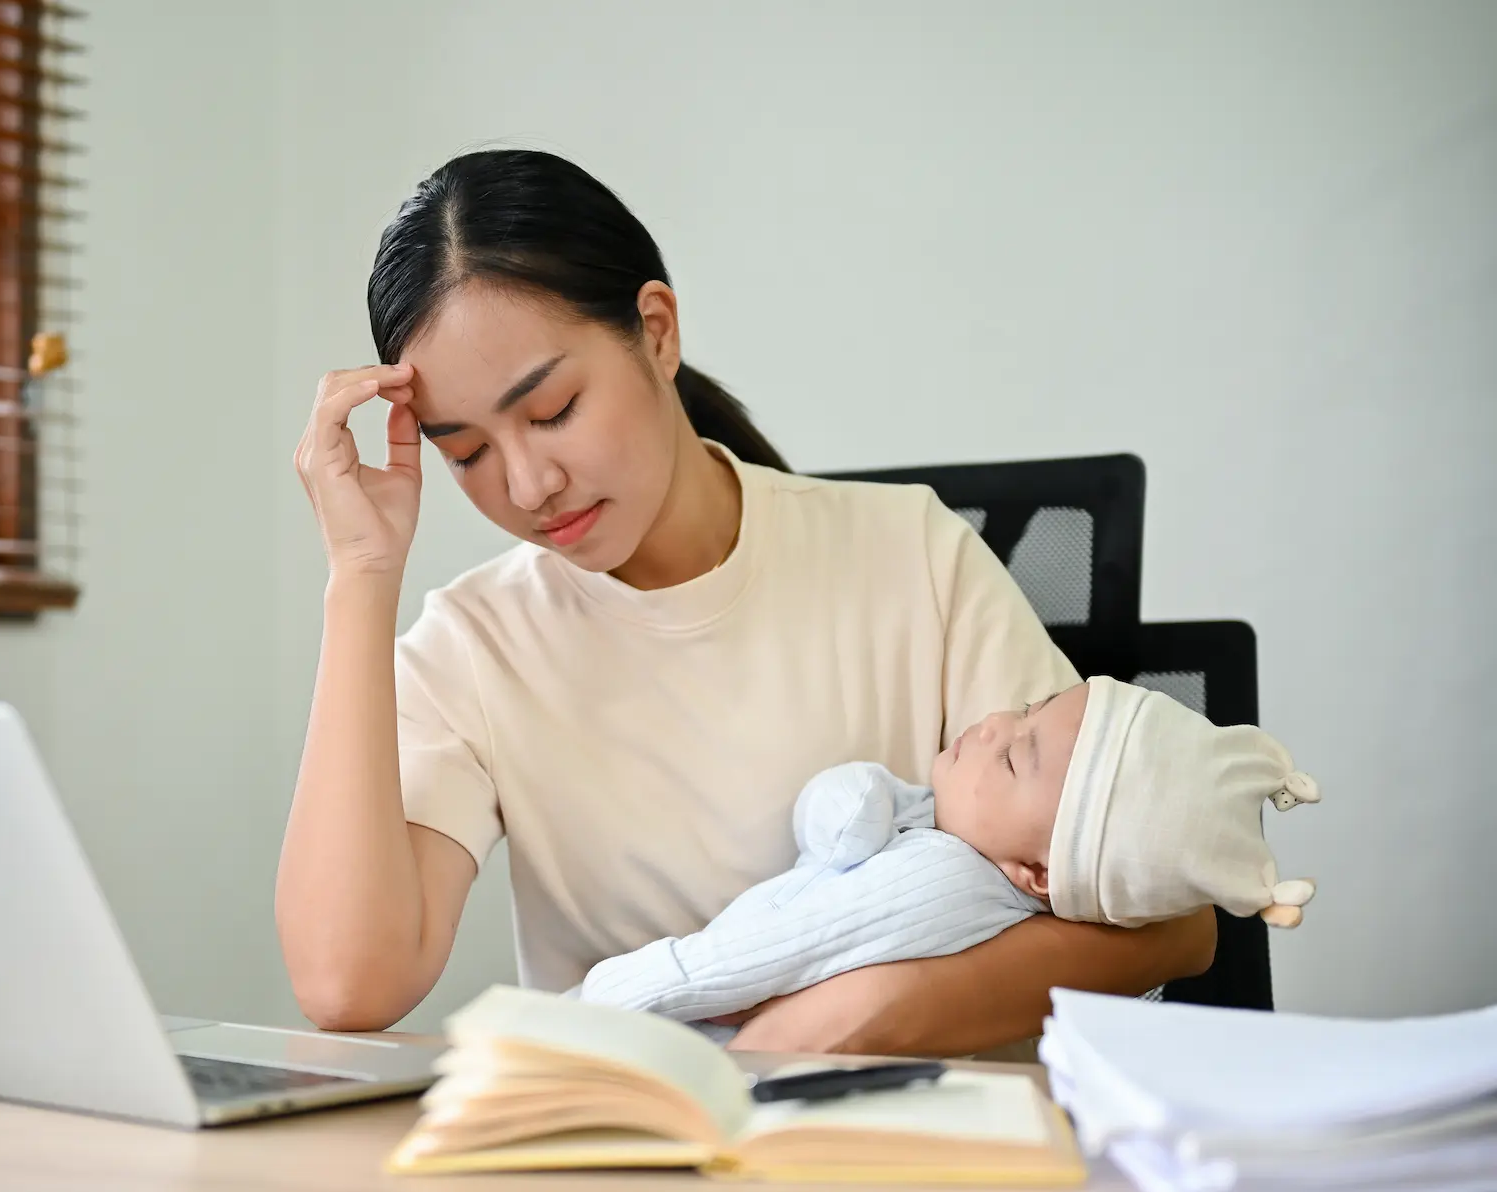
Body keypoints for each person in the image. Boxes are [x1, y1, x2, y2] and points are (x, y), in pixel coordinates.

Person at [277, 148, 1217, 1055]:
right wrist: (361, 578)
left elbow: (1175, 928)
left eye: (552, 409)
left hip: (922, 1163)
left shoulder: (909, 554)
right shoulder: (477, 647)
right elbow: (348, 983)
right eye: (467, 453)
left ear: (656, 330)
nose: (526, 485)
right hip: (638, 1178)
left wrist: (858, 1015)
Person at [574, 678, 1321, 1028]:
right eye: (1027, 709)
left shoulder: (938, 883)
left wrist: (595, 1004)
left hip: (679, 1036)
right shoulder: (952, 839)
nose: (994, 722)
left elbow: (756, 955)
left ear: (1040, 874)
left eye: (1013, 757)